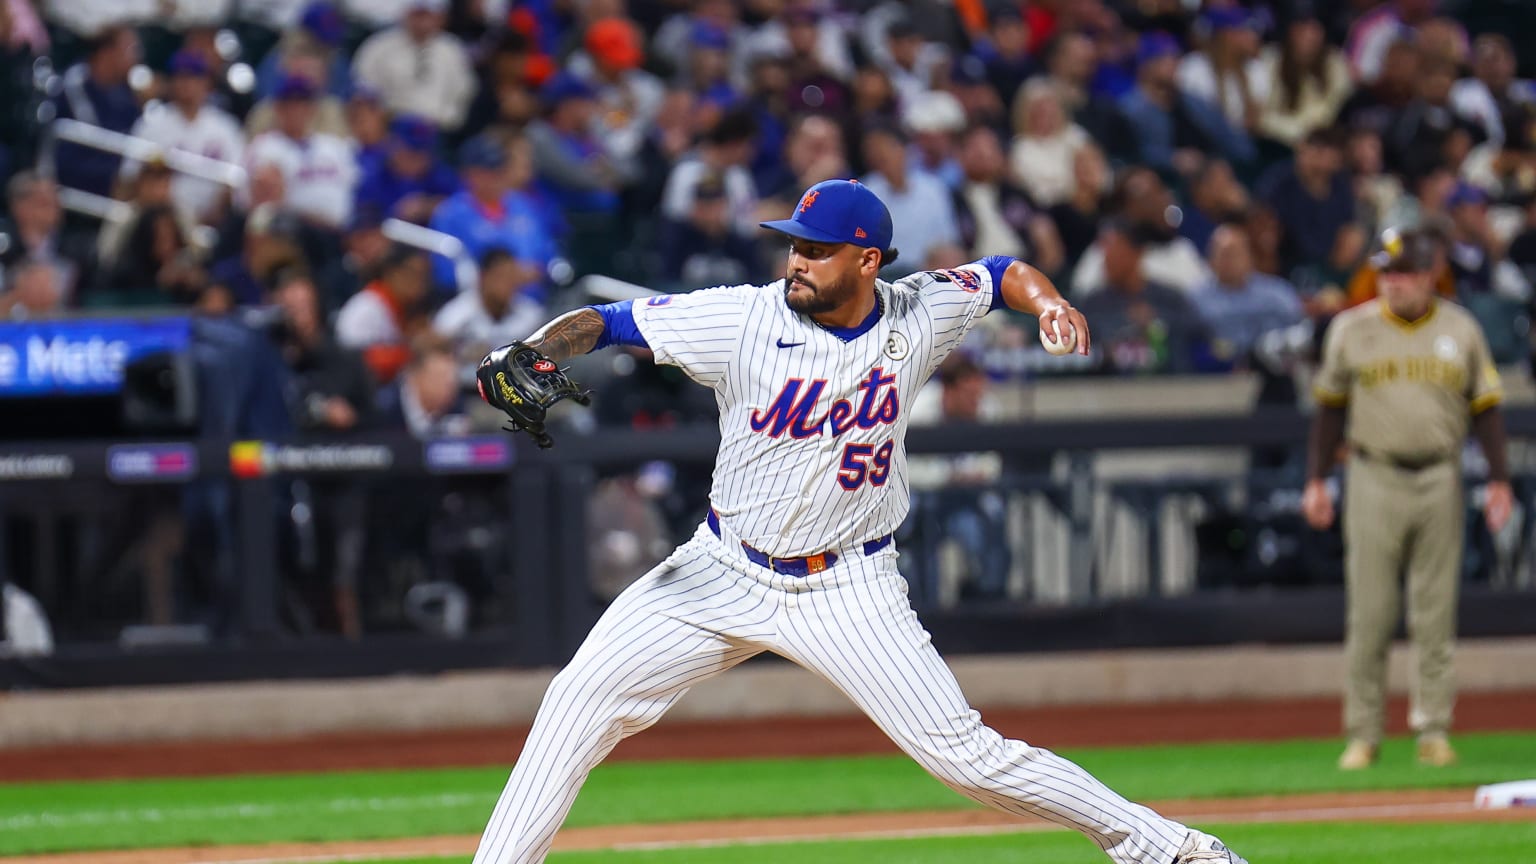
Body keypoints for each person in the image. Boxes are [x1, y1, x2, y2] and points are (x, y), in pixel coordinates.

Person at [466, 178, 1246, 864]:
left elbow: (1000, 274)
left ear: (869, 260)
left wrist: (1048, 300)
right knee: (576, 702)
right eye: (794, 245)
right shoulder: (742, 318)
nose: (797, 261)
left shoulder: (918, 310)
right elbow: (609, 321)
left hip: (848, 585)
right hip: (719, 569)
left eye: (817, 249)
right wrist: (533, 349)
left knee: (966, 758)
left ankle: (1168, 848)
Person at [1303, 227, 1512, 771]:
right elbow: (1329, 410)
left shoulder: (1461, 328)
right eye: (1386, 273)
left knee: (1435, 613)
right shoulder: (1352, 328)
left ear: (1428, 274)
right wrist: (1316, 480)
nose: (1391, 283)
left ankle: (1433, 730)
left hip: (1441, 475)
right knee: (1370, 613)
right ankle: (1363, 733)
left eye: (1402, 273)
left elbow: (1486, 409)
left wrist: (1499, 479)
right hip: (1374, 473)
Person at [124, 51, 245, 225]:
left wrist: (216, 214)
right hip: (160, 219)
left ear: (207, 83)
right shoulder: (152, 123)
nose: (187, 85)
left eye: (194, 78)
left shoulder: (225, 127)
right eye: (181, 77)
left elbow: (235, 182)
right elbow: (130, 177)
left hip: (211, 221)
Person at [244, 75, 360, 232]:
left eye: (303, 104)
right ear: (278, 108)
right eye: (290, 105)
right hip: (291, 231)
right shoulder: (265, 146)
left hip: (342, 233)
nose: (297, 111)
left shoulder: (334, 146)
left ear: (312, 109)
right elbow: (261, 202)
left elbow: (355, 187)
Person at [350, 0, 477, 132]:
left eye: (428, 16)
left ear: (440, 18)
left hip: (439, 128)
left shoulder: (452, 49)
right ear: (405, 15)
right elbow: (363, 86)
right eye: (417, 15)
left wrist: (447, 117)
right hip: (391, 126)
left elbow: (464, 91)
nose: (422, 23)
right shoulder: (379, 46)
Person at [1191, 225, 1305, 365]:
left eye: (1234, 254)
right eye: (1223, 255)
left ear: (1249, 256)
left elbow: (1300, 328)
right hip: (1216, 371)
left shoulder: (1277, 293)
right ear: (1211, 260)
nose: (1229, 262)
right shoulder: (1196, 300)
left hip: (1273, 367)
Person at [434, 248, 547, 381]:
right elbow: (434, 351)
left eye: (511, 278)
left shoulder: (530, 316)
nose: (507, 285)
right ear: (483, 277)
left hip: (513, 387)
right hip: (465, 387)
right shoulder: (457, 314)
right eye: (501, 277)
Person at [335, 243, 431, 385]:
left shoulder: (408, 309)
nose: (420, 283)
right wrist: (410, 354)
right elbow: (350, 360)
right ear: (391, 273)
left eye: (424, 275)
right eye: (413, 273)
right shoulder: (365, 308)